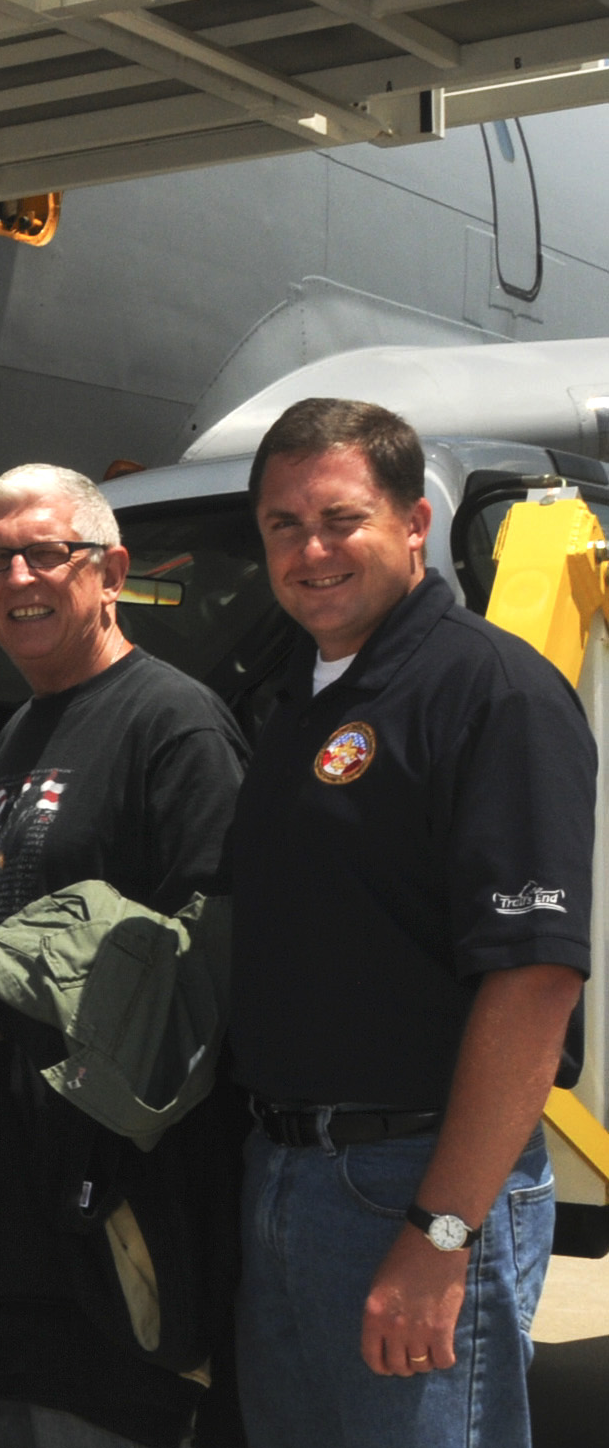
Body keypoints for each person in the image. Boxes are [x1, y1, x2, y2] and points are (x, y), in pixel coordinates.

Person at [224, 400, 590, 1448]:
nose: (309, 549)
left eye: (338, 517)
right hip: (285, 1172)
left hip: (410, 1184)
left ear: (412, 522)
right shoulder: (296, 705)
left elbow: (533, 981)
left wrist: (439, 1232)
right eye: (281, 526)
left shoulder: (490, 693)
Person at [0, 464, 248, 1448]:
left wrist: (9, 1009)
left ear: (109, 571)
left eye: (43, 552)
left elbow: (209, 963)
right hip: (6, 1222)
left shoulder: (172, 727)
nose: (15, 574)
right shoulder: (25, 725)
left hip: (106, 1230)